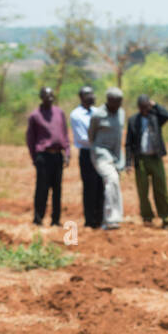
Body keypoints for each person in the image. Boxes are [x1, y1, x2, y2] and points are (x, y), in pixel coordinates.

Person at [125, 95, 168, 227]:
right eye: (142, 107)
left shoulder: (155, 117)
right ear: (138, 107)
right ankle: (147, 217)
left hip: (155, 158)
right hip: (140, 159)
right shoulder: (133, 120)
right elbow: (128, 143)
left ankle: (166, 216)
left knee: (161, 189)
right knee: (143, 191)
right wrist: (128, 163)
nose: (144, 110)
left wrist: (155, 105)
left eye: (146, 107)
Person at [25, 86, 70, 226]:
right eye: (47, 96)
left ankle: (56, 220)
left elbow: (65, 134)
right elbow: (30, 139)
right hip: (43, 156)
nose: (50, 98)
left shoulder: (59, 113)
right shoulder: (35, 115)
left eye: (52, 95)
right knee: (42, 189)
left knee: (57, 189)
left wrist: (67, 152)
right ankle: (38, 219)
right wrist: (35, 157)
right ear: (41, 97)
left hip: (58, 156)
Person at [87, 88, 126, 230]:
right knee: (112, 179)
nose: (118, 105)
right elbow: (91, 136)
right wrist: (99, 152)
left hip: (116, 156)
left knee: (113, 184)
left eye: (120, 102)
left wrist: (120, 160)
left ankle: (109, 218)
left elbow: (119, 135)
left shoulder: (121, 113)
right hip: (101, 154)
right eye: (116, 102)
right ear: (109, 101)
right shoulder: (98, 115)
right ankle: (111, 219)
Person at [69, 85, 103, 229]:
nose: (92, 96)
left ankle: (100, 220)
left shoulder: (97, 112)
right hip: (87, 153)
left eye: (93, 93)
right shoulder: (76, 115)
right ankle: (89, 220)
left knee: (100, 186)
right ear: (82, 97)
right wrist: (100, 140)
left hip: (99, 152)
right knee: (89, 187)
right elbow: (82, 137)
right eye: (89, 94)